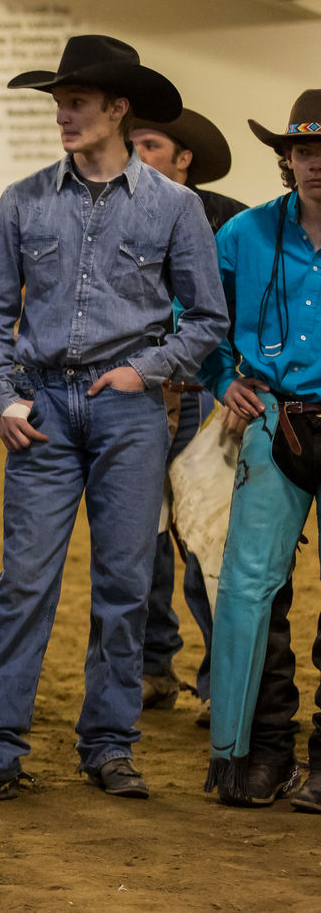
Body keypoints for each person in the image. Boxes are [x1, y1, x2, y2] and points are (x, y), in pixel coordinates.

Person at [0, 35, 226, 807]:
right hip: (43, 407)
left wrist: (146, 369)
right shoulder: (23, 199)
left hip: (127, 404)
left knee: (125, 583)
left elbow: (207, 320)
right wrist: (1, 396)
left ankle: (109, 743)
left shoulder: (176, 206)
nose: (62, 113)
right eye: (58, 101)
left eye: (77, 101)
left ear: (117, 108)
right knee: (23, 581)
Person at [202, 90, 321, 810]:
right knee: (249, 588)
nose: (317, 164)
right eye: (306, 151)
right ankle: (256, 748)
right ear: (286, 158)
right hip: (276, 420)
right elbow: (199, 314)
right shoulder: (242, 234)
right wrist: (223, 377)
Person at [129, 108, 249, 721]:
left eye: (152, 145)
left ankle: (217, 675)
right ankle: (152, 667)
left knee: (208, 540)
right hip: (138, 394)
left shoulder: (230, 221)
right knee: (141, 540)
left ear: (184, 160)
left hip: (204, 393)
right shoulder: (114, 210)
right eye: (134, 145)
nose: (138, 154)